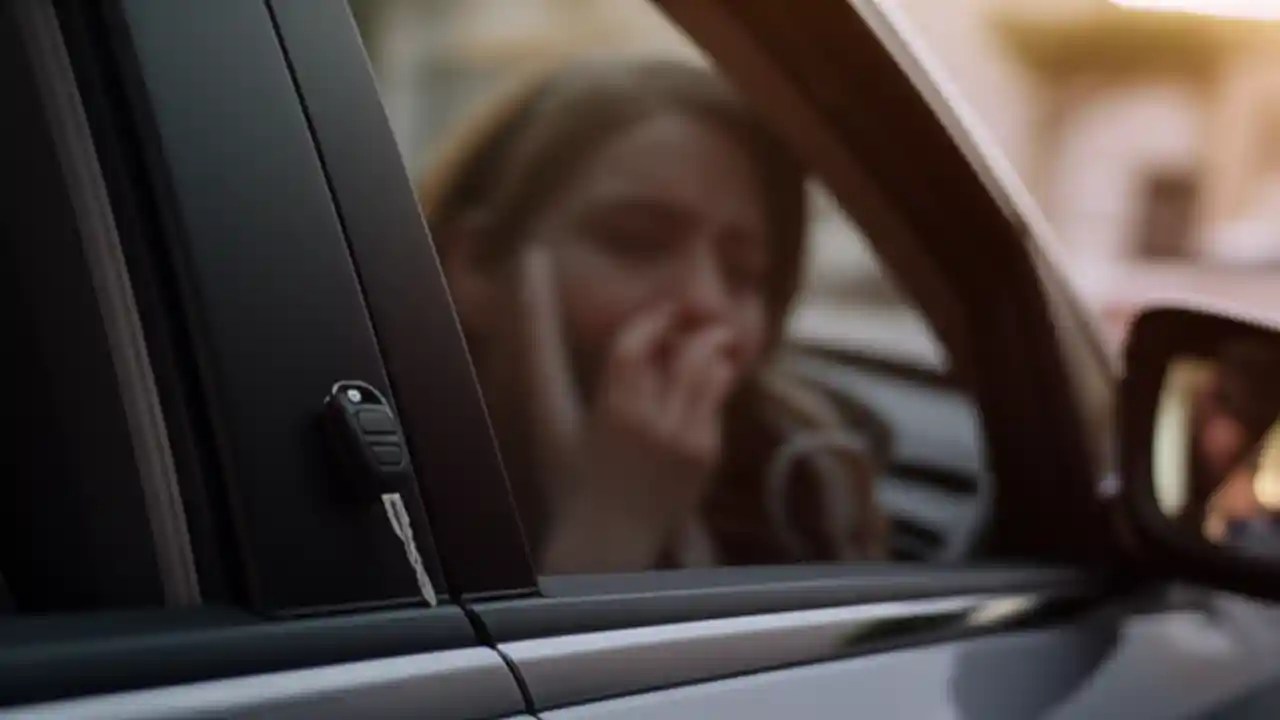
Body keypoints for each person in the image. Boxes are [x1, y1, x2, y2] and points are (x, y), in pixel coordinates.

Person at [419, 59, 887, 573]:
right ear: (479, 265)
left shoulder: (806, 486)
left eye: (743, 272)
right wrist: (613, 527)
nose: (705, 301)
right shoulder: (377, 504)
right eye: (634, 242)